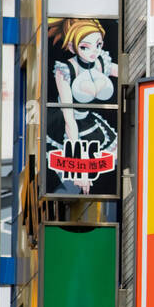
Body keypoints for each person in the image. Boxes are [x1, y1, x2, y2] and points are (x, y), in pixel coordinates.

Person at [47, 17, 118, 195]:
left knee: (115, 154)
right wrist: (79, 166)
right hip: (67, 125)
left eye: (98, 45)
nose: (93, 52)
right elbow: (69, 119)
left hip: (89, 120)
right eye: (85, 47)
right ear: (72, 47)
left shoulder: (101, 62)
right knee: (70, 184)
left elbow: (130, 72)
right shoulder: (65, 71)